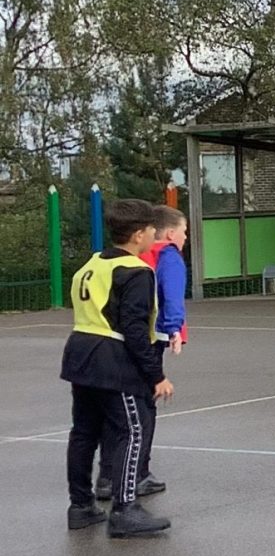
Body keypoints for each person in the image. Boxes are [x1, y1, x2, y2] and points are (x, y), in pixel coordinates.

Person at [62, 199, 174, 537]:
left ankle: (80, 505)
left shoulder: (94, 263)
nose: (156, 234)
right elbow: (134, 328)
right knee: (132, 430)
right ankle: (125, 509)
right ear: (139, 234)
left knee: (84, 432)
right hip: (111, 357)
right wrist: (157, 375)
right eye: (153, 229)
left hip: (80, 351)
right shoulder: (136, 271)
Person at [94, 205, 187, 500]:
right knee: (143, 409)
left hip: (111, 337)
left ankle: (107, 475)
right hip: (150, 335)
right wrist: (174, 329)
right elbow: (172, 295)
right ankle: (138, 474)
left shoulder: (123, 257)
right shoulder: (169, 256)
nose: (185, 238)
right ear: (170, 233)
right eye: (184, 232)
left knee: (115, 411)